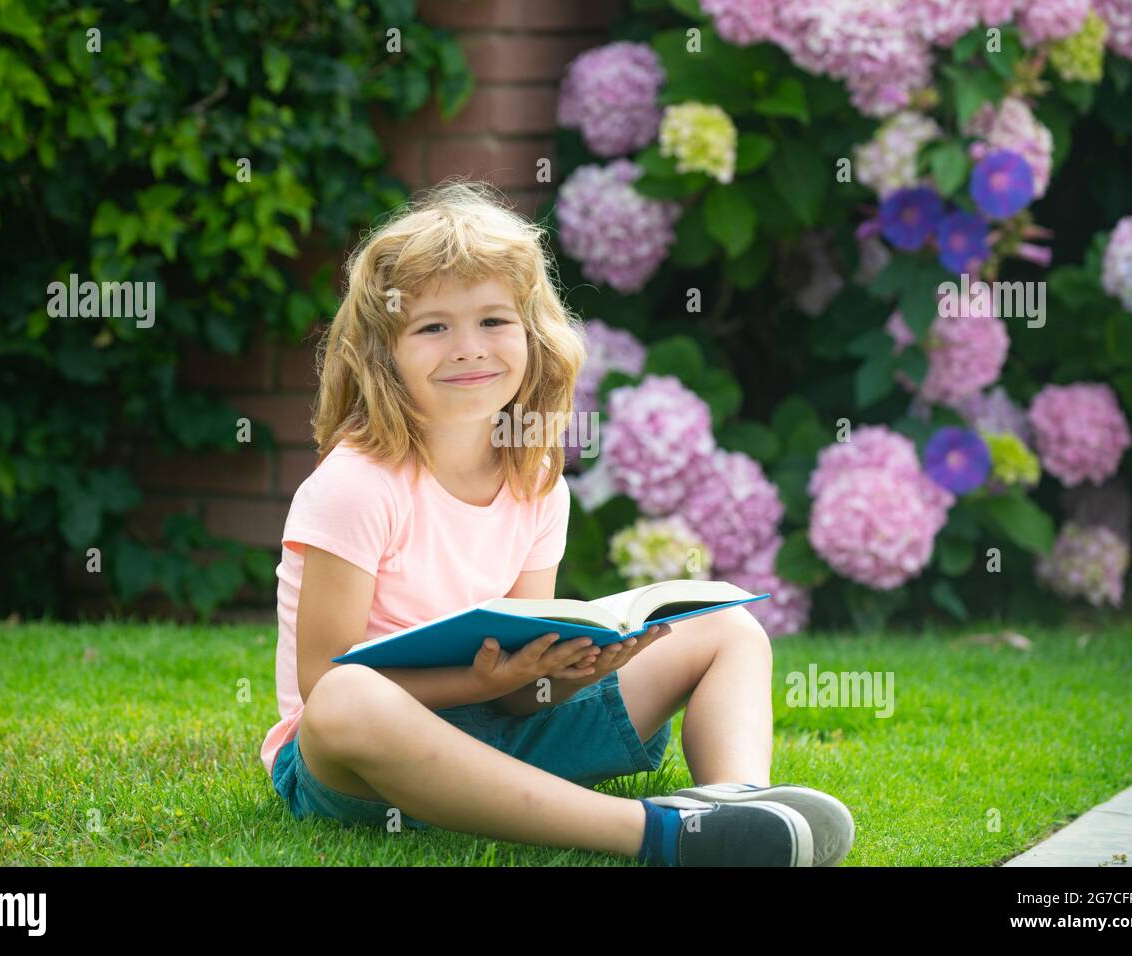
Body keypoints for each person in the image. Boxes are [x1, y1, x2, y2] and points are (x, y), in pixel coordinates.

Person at [260, 179, 855, 866]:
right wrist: (479, 685)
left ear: (532, 335)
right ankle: (656, 835)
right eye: (432, 327)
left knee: (726, 628)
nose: (468, 348)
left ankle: (740, 809)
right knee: (345, 699)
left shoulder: (536, 478)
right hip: (362, 763)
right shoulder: (355, 484)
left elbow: (523, 696)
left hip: (499, 732)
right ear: (379, 353)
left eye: (493, 321)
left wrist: (573, 667)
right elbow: (320, 684)